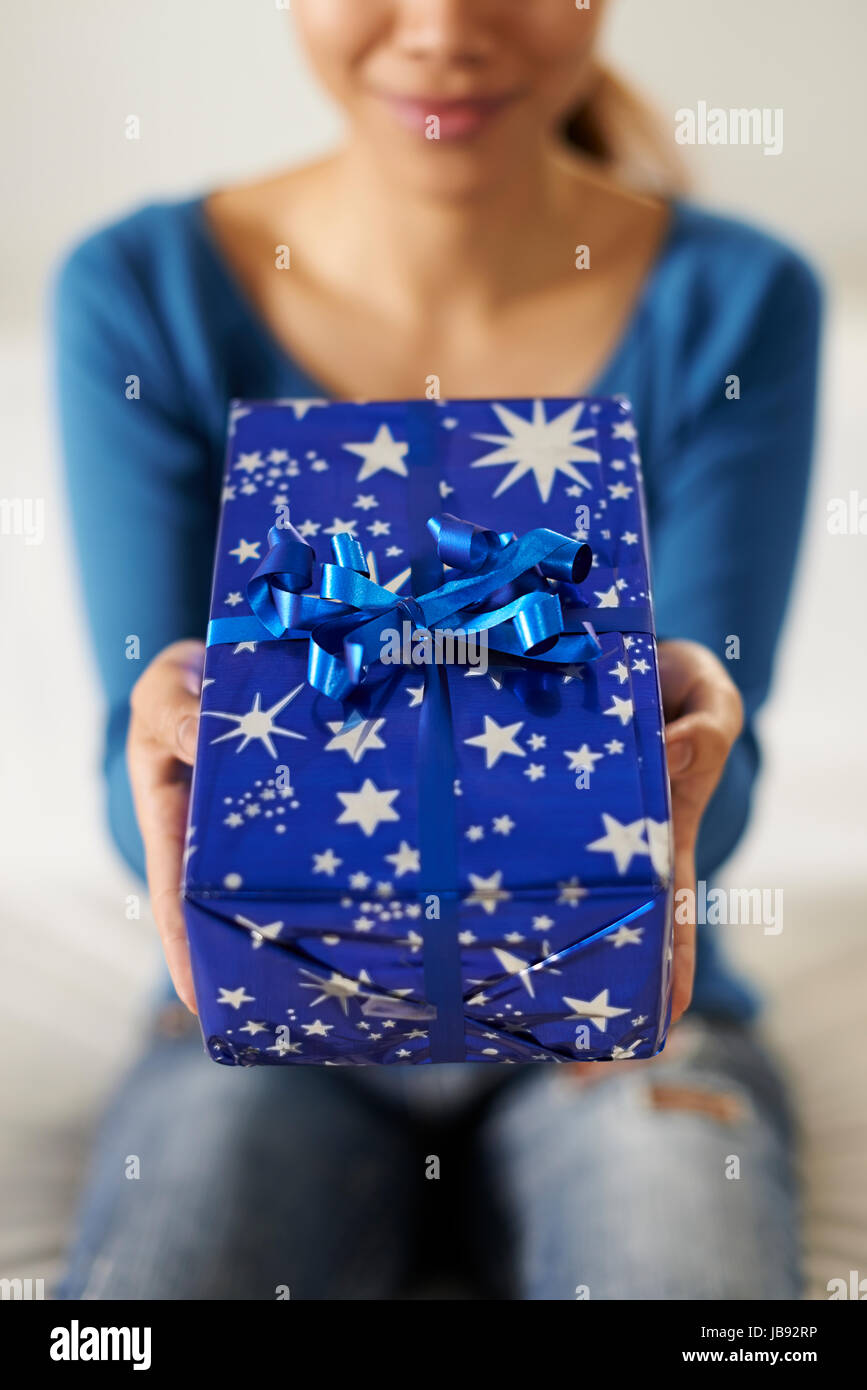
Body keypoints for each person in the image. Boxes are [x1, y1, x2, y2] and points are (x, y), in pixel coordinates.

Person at [53, 0, 821, 1300]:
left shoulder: (739, 301)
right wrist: (175, 747)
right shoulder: (141, 293)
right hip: (262, 1004)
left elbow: (717, 788)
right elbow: (145, 809)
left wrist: (684, 746)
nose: (445, 30)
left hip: (625, 1004)